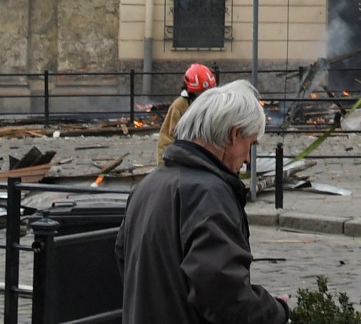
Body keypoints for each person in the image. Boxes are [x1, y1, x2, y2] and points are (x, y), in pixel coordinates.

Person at [118, 79, 289, 324]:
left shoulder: (146, 186)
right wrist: (277, 310)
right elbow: (225, 298)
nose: (249, 160)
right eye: (250, 145)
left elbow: (126, 266)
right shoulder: (209, 194)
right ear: (234, 134)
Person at [156, 63, 216, 164]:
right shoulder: (180, 106)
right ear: (191, 92)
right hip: (185, 156)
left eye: (208, 91)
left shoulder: (216, 103)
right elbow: (166, 138)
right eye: (201, 92)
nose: (205, 96)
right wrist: (164, 165)